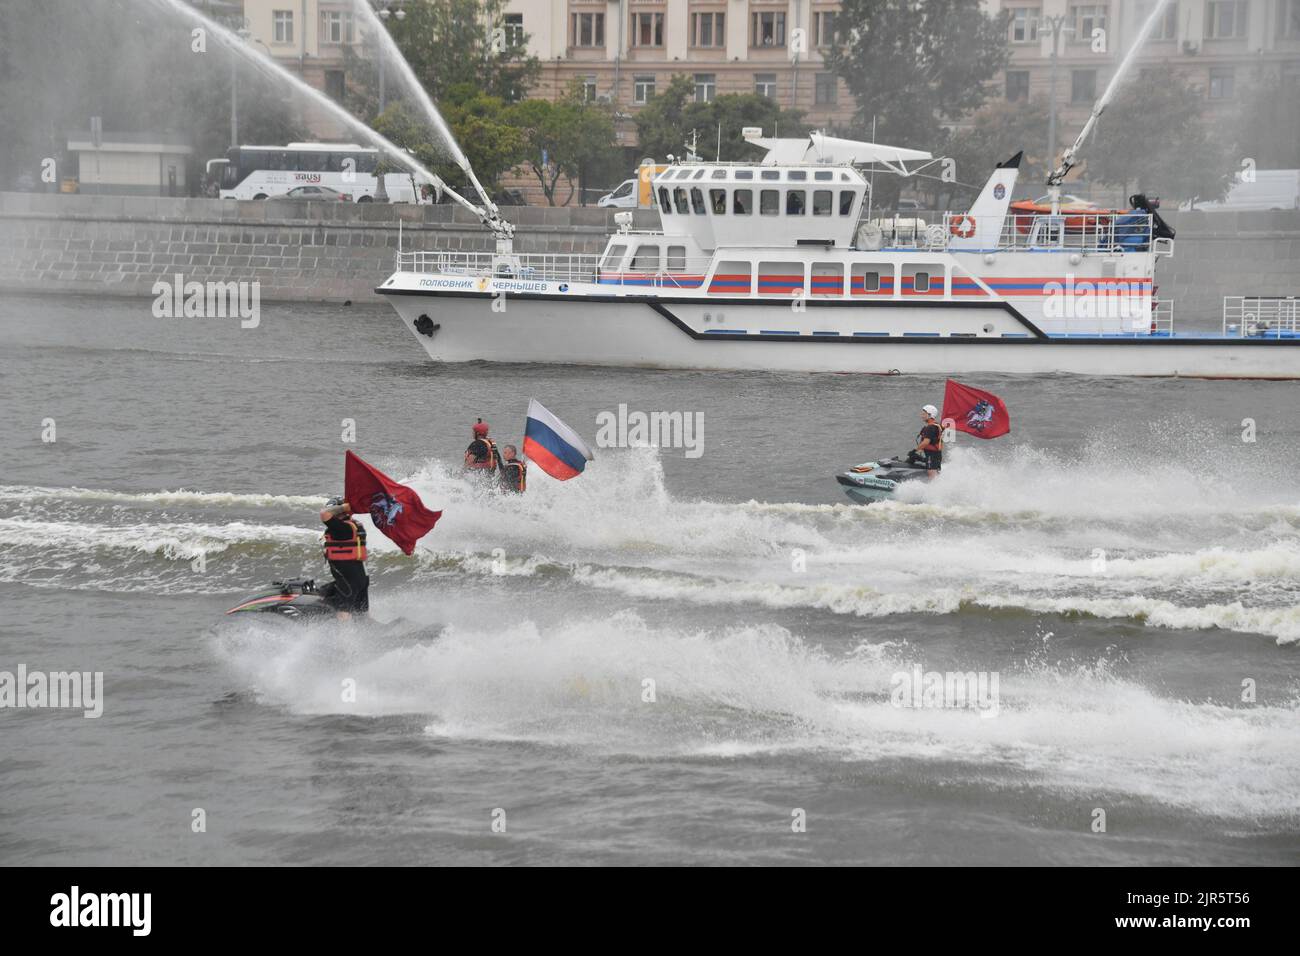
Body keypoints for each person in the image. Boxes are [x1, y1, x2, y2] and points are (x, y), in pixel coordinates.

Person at [318, 496, 369, 618]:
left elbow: (324, 514)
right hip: (361, 578)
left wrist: (343, 507)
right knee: (361, 613)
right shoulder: (354, 526)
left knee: (343, 611)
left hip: (348, 580)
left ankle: (345, 637)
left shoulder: (342, 529)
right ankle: (369, 631)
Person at [909, 404, 944, 479]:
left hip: (932, 455)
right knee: (934, 473)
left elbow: (926, 442)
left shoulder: (930, 428)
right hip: (935, 455)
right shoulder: (936, 425)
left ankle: (935, 488)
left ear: (930, 415)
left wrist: (914, 451)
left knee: (932, 475)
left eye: (924, 414)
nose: (921, 415)